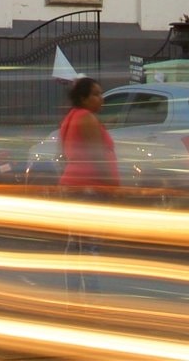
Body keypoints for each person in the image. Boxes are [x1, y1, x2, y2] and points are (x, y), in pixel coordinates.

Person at [56, 76, 117, 296]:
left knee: (75, 245)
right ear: (83, 97)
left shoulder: (71, 118)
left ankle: (73, 297)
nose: (101, 99)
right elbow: (98, 157)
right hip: (89, 186)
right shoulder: (87, 119)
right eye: (95, 94)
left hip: (71, 184)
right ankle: (92, 298)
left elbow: (64, 154)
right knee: (89, 247)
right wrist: (111, 187)